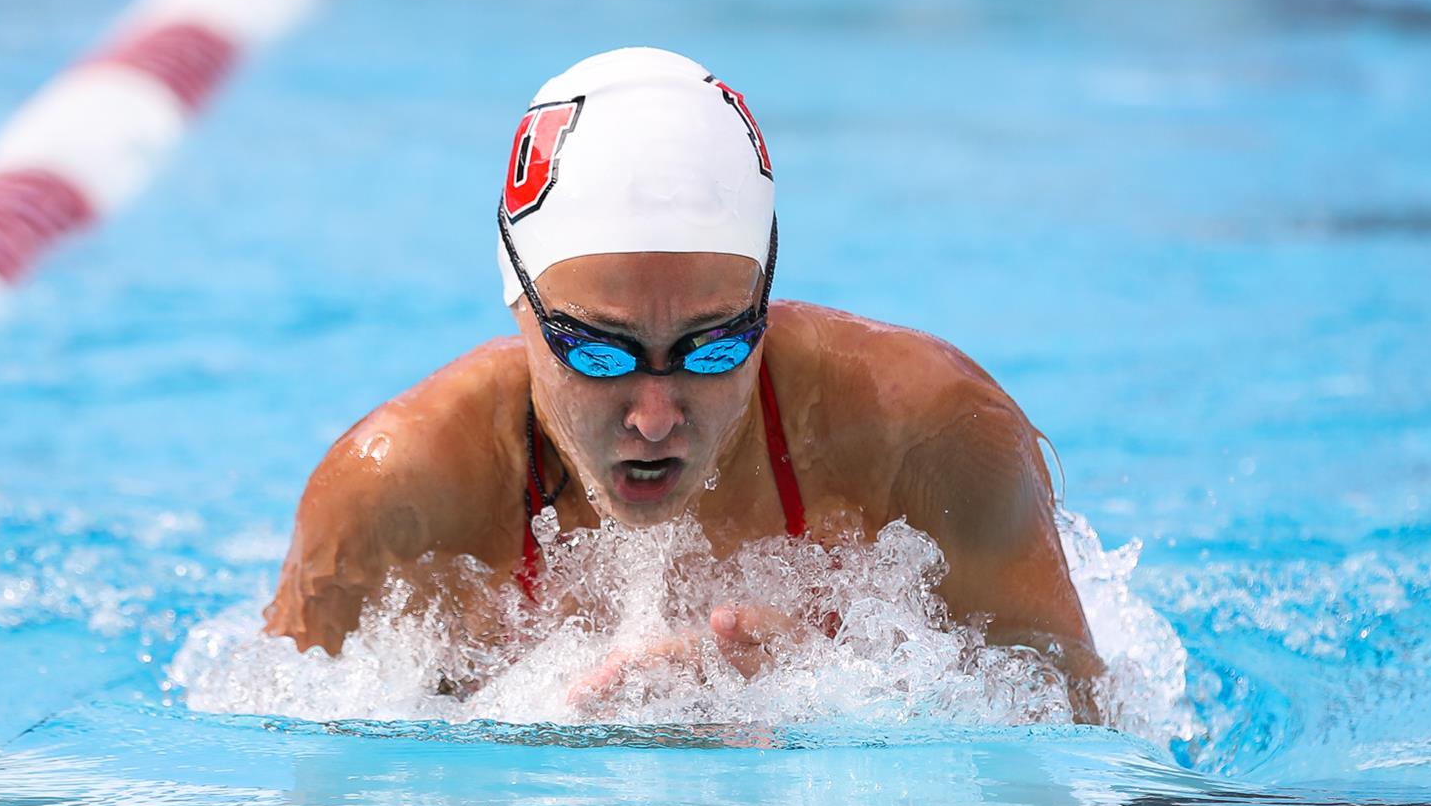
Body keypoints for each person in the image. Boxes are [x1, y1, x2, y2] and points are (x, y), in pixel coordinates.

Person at [265, 47, 1103, 719]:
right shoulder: (395, 493)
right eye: (599, 352)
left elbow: (1091, 730)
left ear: (764, 300)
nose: (657, 416)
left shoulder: (928, 436)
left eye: (714, 348)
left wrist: (838, 698)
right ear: (519, 299)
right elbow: (278, 778)